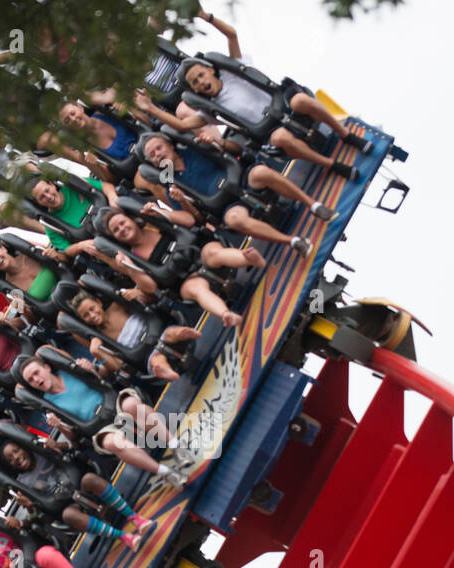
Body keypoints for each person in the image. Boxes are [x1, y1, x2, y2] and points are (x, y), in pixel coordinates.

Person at [167, 7, 370, 178]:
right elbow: (183, 125)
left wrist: (205, 17)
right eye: (196, 82)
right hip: (268, 131)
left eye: (202, 75)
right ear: (194, 89)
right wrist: (149, 106)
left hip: (284, 105)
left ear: (211, 70)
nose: (202, 82)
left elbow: (232, 34)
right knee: (281, 138)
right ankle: (331, 164)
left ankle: (346, 135)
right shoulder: (211, 110)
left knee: (300, 100)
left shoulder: (232, 72)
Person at [134, 130, 336, 253]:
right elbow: (195, 219)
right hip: (225, 205)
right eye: (152, 155)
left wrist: (216, 142)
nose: (158, 155)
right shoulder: (171, 185)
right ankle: (292, 241)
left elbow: (236, 150)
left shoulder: (193, 150)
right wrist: (184, 202)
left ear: (169, 145)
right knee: (235, 220)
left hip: (240, 180)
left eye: (159, 148)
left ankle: (314, 206)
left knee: (261, 172)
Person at [67, 209, 263, 327]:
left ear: (130, 219)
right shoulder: (130, 257)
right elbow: (150, 288)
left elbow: (189, 220)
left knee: (214, 254)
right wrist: (130, 267)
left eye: (122, 223)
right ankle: (225, 314)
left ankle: (249, 259)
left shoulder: (153, 223)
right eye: (116, 230)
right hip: (184, 282)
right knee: (197, 289)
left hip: (198, 256)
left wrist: (162, 213)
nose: (122, 229)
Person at [18, 353, 191, 487]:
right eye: (31, 380)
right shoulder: (48, 406)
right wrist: (60, 427)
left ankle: (176, 447)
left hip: (113, 404)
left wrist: (92, 369)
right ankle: (165, 472)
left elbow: (107, 375)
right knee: (111, 443)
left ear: (47, 367)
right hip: (100, 428)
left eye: (36, 373)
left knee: (131, 405)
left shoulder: (69, 370)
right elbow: (74, 441)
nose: (36, 379)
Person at [0, 439, 156, 551]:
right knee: (69, 515)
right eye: (10, 459)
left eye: (16, 450)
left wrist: (56, 446)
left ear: (23, 448)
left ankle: (134, 518)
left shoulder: (41, 449)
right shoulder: (22, 483)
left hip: (79, 486)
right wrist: (30, 507)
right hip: (66, 504)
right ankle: (122, 536)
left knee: (89, 479)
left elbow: (70, 447)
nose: (16, 457)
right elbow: (38, 516)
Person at [69, 289, 200, 382]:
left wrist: (138, 294)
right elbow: (116, 367)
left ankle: (185, 333)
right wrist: (97, 353)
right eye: (86, 315)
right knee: (157, 362)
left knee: (172, 333)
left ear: (99, 303)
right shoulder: (99, 337)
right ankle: (167, 371)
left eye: (92, 309)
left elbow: (148, 301)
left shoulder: (117, 305)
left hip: (157, 333)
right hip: (146, 354)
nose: (92, 315)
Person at [0, 235, 59, 306]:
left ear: (3, 248)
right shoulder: (8, 287)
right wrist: (23, 309)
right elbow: (29, 320)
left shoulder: (30, 254)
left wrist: (57, 255)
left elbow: (62, 260)